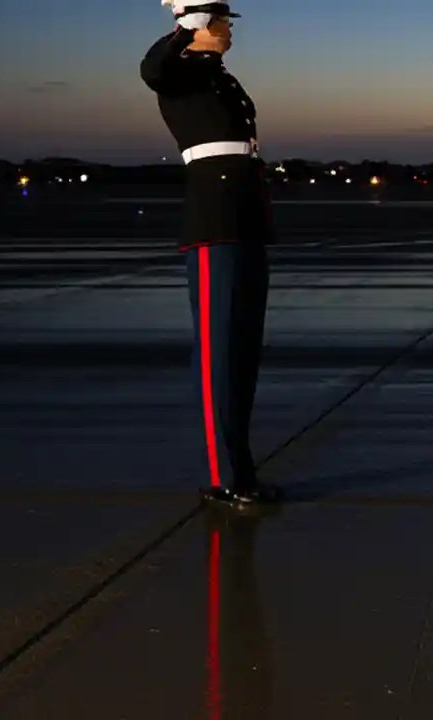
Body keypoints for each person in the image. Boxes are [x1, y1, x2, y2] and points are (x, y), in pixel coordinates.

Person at [141, 0, 281, 511]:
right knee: (219, 354)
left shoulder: (218, 76)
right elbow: (151, 68)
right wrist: (184, 31)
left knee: (243, 351)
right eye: (219, 22)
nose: (228, 31)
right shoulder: (176, 71)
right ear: (197, 24)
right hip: (214, 219)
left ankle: (241, 471)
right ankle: (227, 478)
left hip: (245, 216)